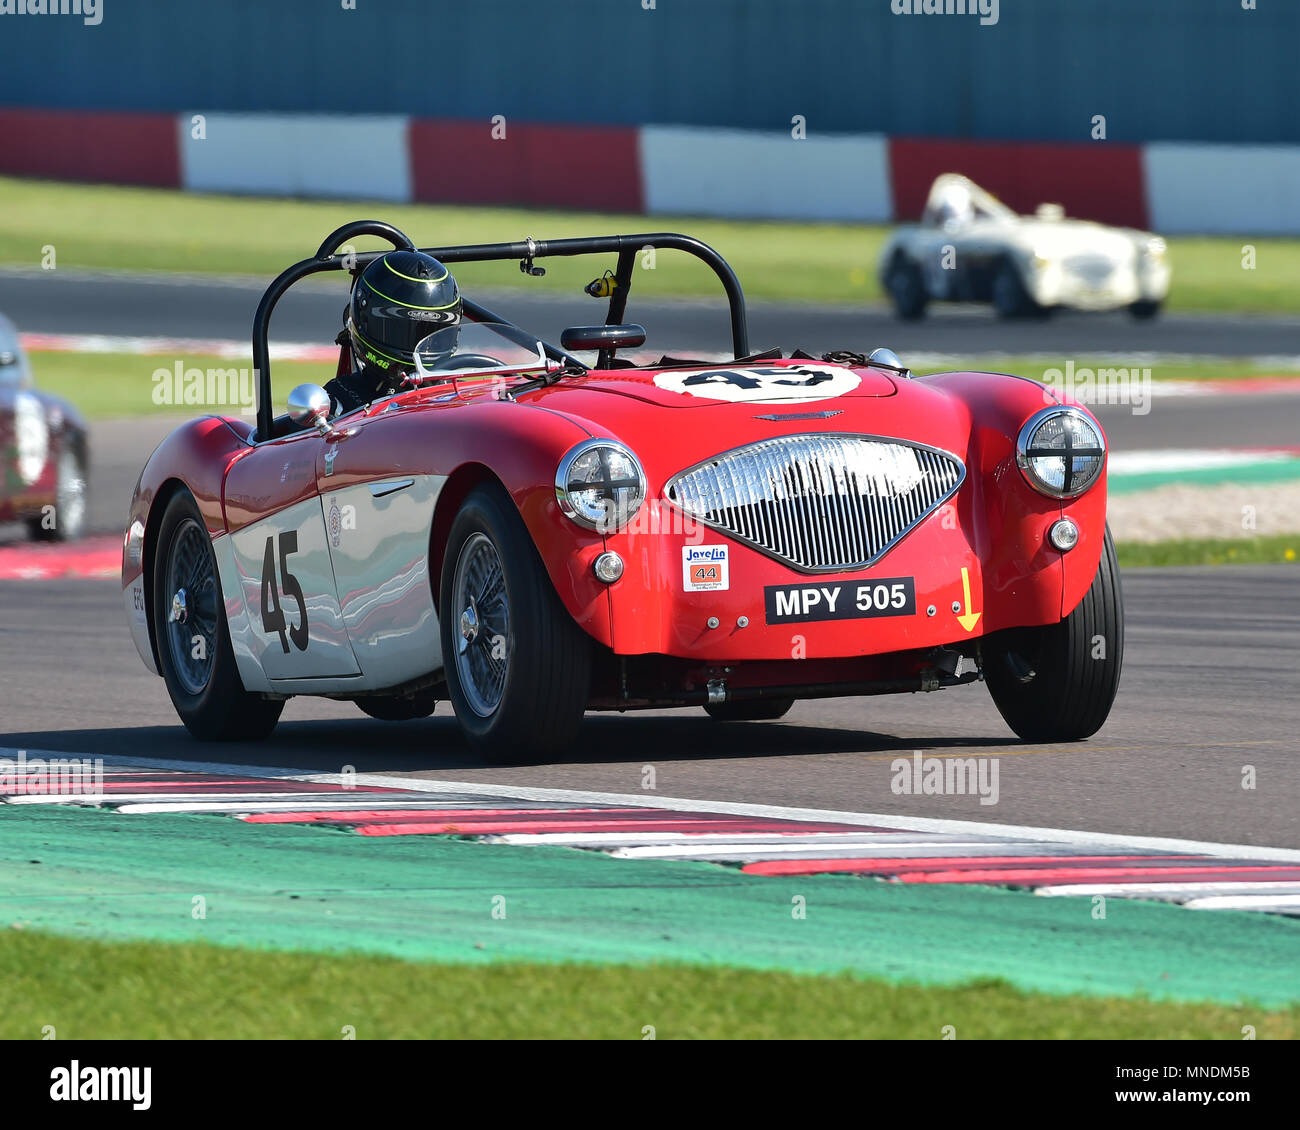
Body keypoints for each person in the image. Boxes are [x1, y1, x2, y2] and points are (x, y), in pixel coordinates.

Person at [325, 250, 462, 417]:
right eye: (401, 331)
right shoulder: (339, 399)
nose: (417, 349)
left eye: (432, 333)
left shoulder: (467, 394)